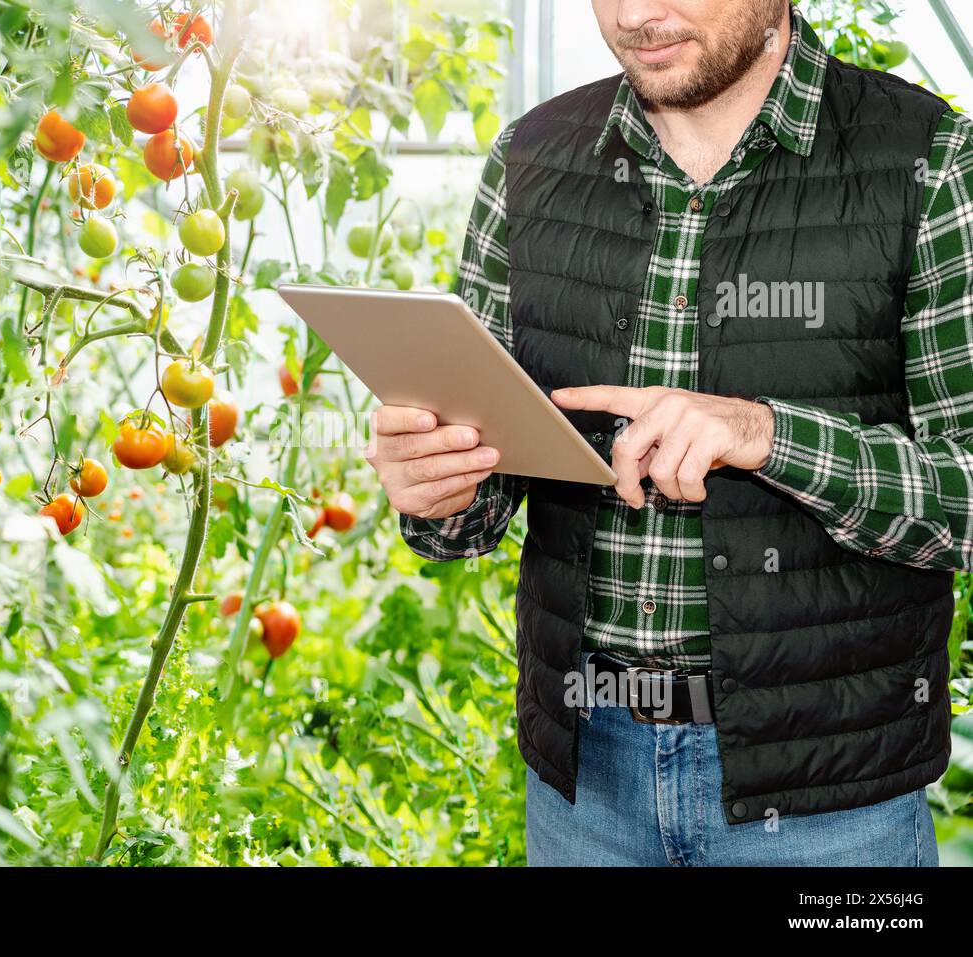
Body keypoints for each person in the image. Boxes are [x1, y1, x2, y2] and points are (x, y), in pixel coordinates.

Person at [364, 0, 972, 866]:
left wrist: (766, 435)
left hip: (829, 800)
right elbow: (476, 503)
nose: (635, 14)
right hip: (586, 786)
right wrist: (437, 485)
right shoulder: (530, 158)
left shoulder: (927, 158)